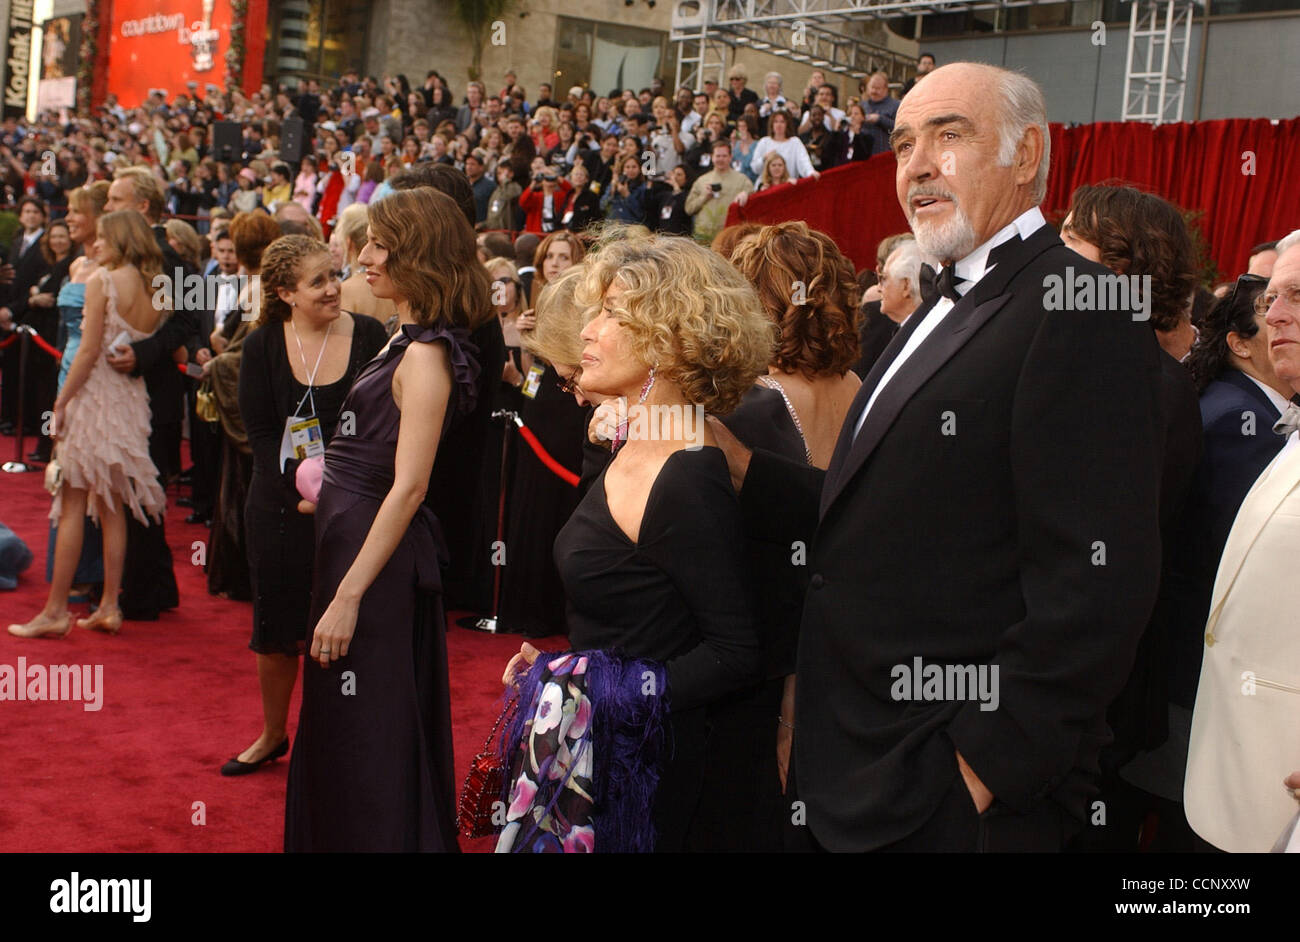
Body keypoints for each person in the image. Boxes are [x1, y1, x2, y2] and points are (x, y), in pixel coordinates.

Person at [708, 62, 1164, 852]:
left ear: (1026, 157)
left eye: (950, 136)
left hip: (945, 797)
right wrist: (731, 460)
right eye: (904, 143)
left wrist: (980, 772)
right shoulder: (938, 302)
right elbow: (877, 505)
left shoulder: (1078, 307)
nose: (917, 164)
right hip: (851, 766)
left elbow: (1095, 584)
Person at [500, 234, 770, 852]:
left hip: (645, 780)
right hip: (605, 755)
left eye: (612, 314)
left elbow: (734, 652)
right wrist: (557, 671)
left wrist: (598, 689)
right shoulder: (627, 445)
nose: (587, 332)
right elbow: (636, 614)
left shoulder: (688, 473)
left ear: (669, 338)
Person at [284, 186, 491, 852]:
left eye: (380, 245)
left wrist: (349, 597)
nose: (364, 257)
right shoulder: (405, 338)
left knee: (367, 729)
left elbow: (409, 488)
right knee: (340, 722)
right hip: (348, 548)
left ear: (418, 254)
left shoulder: (427, 356)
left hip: (372, 573)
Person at [1057, 183, 1203, 852]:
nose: (1049, 257)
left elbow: (1104, 572)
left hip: (1078, 712)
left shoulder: (1148, 387)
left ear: (1119, 268)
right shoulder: (1081, 363)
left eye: (1069, 242)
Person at [223, 235, 387, 776]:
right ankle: (273, 734)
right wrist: (301, 486)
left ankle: (339, 741)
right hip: (276, 508)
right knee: (276, 627)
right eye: (317, 281)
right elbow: (262, 434)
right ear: (285, 292)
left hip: (353, 508)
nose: (333, 288)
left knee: (346, 627)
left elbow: (381, 426)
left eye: (335, 275)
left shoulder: (367, 334)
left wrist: (336, 492)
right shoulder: (263, 344)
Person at [1185, 233, 1300, 852]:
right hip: (1239, 776)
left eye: (1297, 297)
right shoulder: (1279, 423)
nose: (1276, 314)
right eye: (1273, 298)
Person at [8, 211, 168, 638]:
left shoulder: (103, 280)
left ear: (119, 238)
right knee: (114, 506)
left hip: (94, 396)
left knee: (73, 499)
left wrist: (60, 403)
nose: (96, 244)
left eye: (102, 236)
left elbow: (87, 351)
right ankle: (110, 605)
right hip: (130, 399)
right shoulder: (156, 287)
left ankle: (56, 610)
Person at [203, 211, 282, 602]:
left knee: (241, 491)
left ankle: (241, 577)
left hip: (251, 413)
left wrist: (218, 355)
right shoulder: (260, 287)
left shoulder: (256, 289)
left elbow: (231, 346)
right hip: (262, 410)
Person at [44, 183, 110, 594]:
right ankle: (70, 570)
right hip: (65, 367)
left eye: (75, 211)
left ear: (98, 216)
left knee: (86, 474)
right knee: (63, 471)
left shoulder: (111, 267)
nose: (68, 218)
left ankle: (89, 575)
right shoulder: (75, 266)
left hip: (93, 374)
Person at [0, 196, 51, 437]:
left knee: (31, 371)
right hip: (10, 314)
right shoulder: (16, 240)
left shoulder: (46, 243)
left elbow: (37, 284)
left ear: (42, 216)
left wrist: (13, 310)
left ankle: (29, 421)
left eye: (35, 212)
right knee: (10, 368)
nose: (30, 216)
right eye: (26, 211)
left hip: (32, 315)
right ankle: (10, 417)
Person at [335, 203, 397, 324]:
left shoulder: (346, 289)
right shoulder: (396, 286)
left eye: (379, 245)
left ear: (349, 242)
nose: (362, 258)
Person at [684, 141, 753, 247]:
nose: (721, 159)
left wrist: (746, 194)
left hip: (729, 238)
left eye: (724, 156)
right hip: (703, 237)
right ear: (712, 157)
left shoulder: (742, 180)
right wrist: (704, 197)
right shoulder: (701, 180)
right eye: (718, 156)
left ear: (730, 157)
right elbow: (689, 209)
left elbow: (754, 204)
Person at [749, 110, 817, 182]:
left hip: (788, 185)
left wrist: (811, 173)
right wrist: (764, 158)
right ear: (772, 125)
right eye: (776, 122)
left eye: (782, 122)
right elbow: (755, 168)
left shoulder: (795, 142)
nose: (779, 125)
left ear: (787, 125)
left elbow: (804, 162)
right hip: (767, 186)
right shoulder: (764, 142)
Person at [821, 102, 874, 170]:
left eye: (856, 114)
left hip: (857, 172)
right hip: (840, 171)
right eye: (850, 114)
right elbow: (828, 153)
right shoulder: (840, 135)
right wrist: (836, 131)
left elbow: (863, 156)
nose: (852, 116)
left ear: (863, 117)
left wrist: (857, 134)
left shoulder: (868, 137)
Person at [860, 71, 899, 157]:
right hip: (863, 155)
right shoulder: (862, 105)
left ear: (886, 89)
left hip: (884, 156)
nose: (874, 91)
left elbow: (900, 128)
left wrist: (880, 119)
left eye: (878, 88)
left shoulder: (896, 106)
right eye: (872, 87)